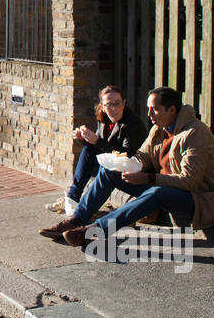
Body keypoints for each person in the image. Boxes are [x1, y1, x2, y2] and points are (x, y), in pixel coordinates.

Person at [45, 87, 214, 254]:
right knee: (109, 171)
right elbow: (143, 156)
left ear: (172, 110)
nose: (149, 114)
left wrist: (148, 178)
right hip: (163, 189)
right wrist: (127, 166)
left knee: (157, 192)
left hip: (197, 199)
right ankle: (76, 221)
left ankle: (93, 230)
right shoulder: (159, 129)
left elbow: (190, 180)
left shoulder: (195, 133)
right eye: (148, 108)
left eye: (155, 109)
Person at [40, 85, 148, 233]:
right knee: (88, 150)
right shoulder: (103, 119)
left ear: (124, 103)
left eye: (117, 103)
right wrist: (85, 139)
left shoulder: (133, 124)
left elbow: (127, 156)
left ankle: (77, 216)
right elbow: (100, 147)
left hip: (132, 174)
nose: (113, 109)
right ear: (102, 106)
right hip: (113, 168)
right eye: (108, 105)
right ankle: (73, 198)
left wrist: (97, 141)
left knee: (106, 170)